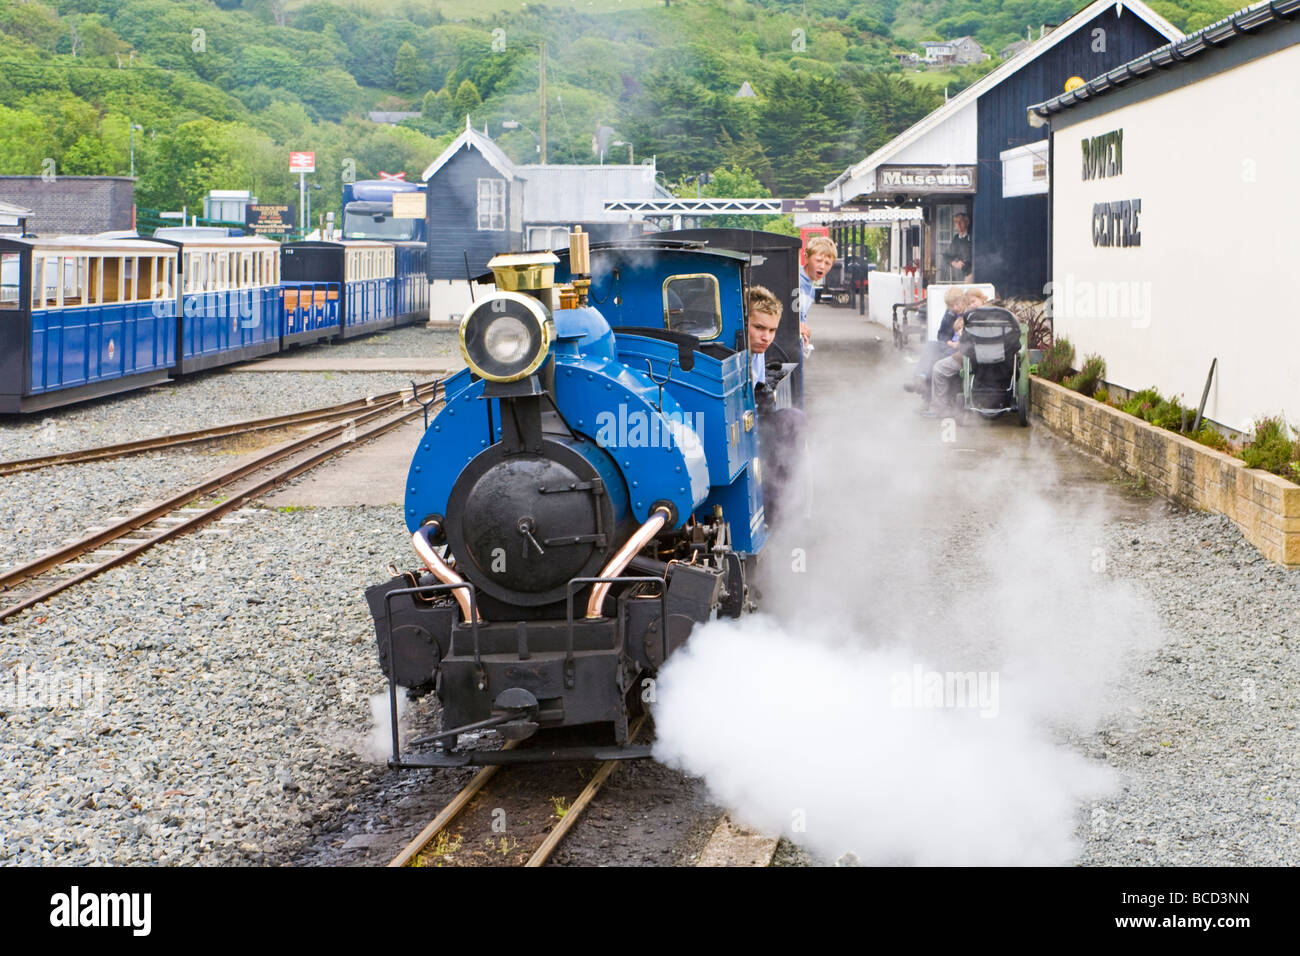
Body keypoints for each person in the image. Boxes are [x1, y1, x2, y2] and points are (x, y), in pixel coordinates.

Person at [748, 285, 806, 526]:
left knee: (794, 419)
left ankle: (780, 504)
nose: (766, 338)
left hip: (755, 416)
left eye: (772, 330)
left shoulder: (759, 353)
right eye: (759, 328)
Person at [904, 287, 968, 400]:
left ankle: (927, 398)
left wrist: (958, 343)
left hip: (960, 350)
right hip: (950, 346)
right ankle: (920, 379)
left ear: (963, 301)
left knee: (933, 358)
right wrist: (950, 343)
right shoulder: (950, 313)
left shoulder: (969, 314)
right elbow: (941, 335)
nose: (955, 308)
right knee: (930, 346)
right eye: (951, 306)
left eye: (957, 304)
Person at [799, 236, 837, 350]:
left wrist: (803, 331)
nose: (822, 266)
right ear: (806, 258)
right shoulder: (795, 280)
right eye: (818, 260)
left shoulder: (811, 288)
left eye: (827, 263)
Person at [944, 213, 973, 282]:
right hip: (958, 276)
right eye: (956, 222)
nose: (958, 224)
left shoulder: (973, 236)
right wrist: (955, 263)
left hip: (972, 274)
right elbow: (946, 255)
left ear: (967, 222)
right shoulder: (956, 238)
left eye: (961, 221)